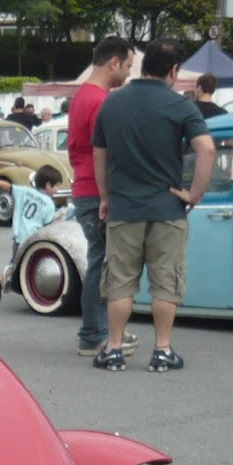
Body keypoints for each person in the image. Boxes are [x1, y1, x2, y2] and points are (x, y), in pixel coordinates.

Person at [91, 39, 214, 374]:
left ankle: (113, 349)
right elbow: (207, 150)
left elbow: (99, 157)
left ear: (143, 66)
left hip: (124, 209)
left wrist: (105, 197)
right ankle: (162, 350)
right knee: (165, 282)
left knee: (119, 281)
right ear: (173, 70)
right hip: (167, 209)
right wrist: (194, 193)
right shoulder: (181, 106)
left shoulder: (112, 105)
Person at [68, 36, 140, 359]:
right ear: (114, 62)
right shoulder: (99, 102)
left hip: (85, 188)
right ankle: (96, 333)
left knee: (100, 260)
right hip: (97, 191)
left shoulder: (83, 95)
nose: (127, 74)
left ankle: (99, 330)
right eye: (127, 66)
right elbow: (107, 151)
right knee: (102, 263)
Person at [0, 164, 64, 299]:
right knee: (26, 263)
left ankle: (8, 281)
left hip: (19, 235)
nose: (57, 189)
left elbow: (8, 187)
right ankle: (2, 281)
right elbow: (47, 225)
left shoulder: (24, 191)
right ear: (47, 185)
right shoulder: (49, 204)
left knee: (15, 261)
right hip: (33, 237)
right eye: (56, 186)